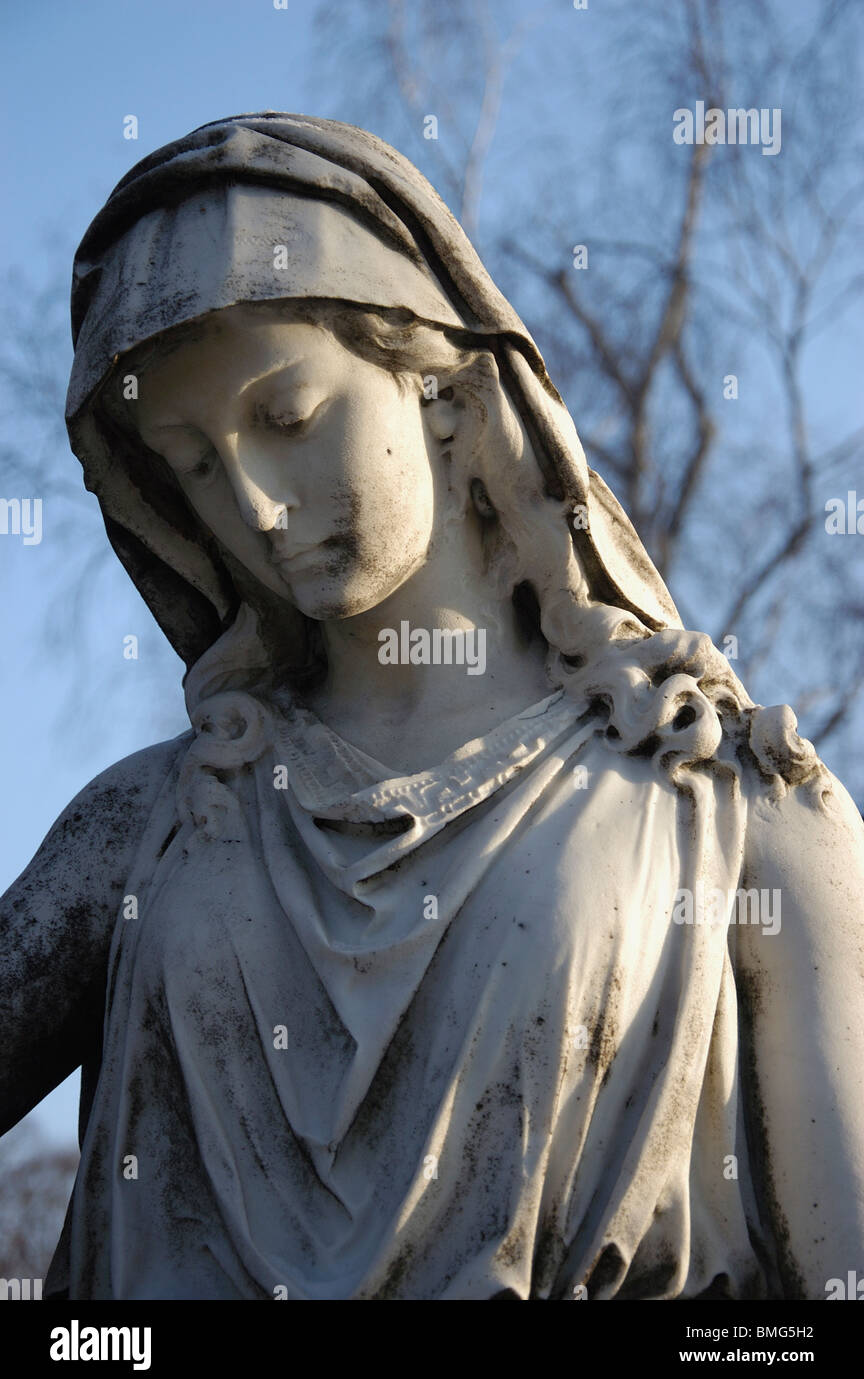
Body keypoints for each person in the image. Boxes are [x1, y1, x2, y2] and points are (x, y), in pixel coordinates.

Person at [2, 113, 863, 1301]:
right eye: (194, 462)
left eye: (290, 419)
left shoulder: (736, 816)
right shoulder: (144, 832)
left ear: (447, 391)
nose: (251, 504)